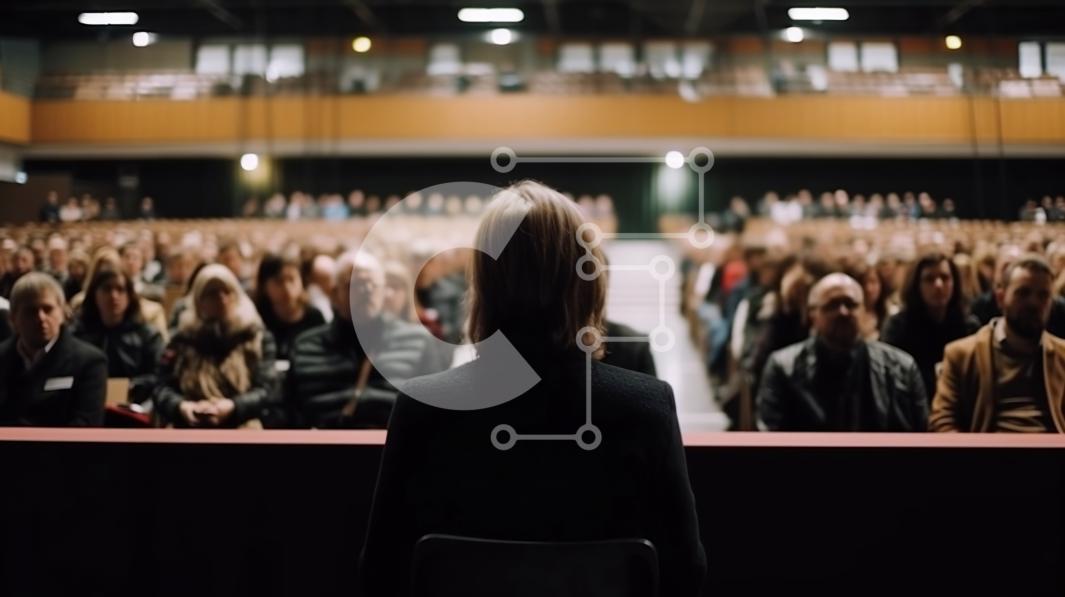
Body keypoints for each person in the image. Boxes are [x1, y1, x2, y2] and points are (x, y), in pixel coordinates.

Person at [360, 181, 706, 597]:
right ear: (586, 283)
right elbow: (686, 574)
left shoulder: (423, 408)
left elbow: (381, 572)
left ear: (484, 285)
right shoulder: (646, 409)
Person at [287, 251, 446, 428]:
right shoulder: (306, 347)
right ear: (334, 294)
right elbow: (290, 416)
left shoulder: (418, 341)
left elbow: (435, 411)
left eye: (373, 284)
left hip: (392, 443)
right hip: (324, 442)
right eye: (355, 284)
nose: (367, 291)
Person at [758, 272, 928, 431]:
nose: (843, 312)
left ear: (864, 310)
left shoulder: (901, 368)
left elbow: (922, 436)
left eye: (850, 304)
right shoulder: (783, 368)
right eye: (832, 305)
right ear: (812, 314)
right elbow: (772, 437)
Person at [931, 255, 1065, 432]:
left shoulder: (1062, 354)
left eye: (1043, 295)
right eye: (1023, 293)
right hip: (986, 447)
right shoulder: (961, 354)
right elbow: (942, 421)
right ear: (1001, 298)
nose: (1033, 303)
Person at [153, 264, 278, 428]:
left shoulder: (255, 338)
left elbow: (267, 390)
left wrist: (234, 407)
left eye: (227, 292)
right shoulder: (181, 340)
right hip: (188, 428)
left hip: (242, 426)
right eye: (212, 293)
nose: (222, 299)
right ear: (199, 300)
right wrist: (181, 407)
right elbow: (161, 387)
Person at [0, 273, 107, 426]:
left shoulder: (88, 362)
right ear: (13, 318)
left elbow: (86, 424)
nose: (41, 318)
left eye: (48, 309)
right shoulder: (3, 358)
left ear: (62, 313)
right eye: (31, 311)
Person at [881, 252, 980, 400]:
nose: (938, 285)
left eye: (945, 278)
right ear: (916, 285)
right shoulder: (898, 328)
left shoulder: (969, 326)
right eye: (929, 279)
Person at [71, 264, 164, 405]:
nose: (114, 296)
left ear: (129, 295)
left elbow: (159, 376)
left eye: (120, 289)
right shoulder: (77, 334)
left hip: (133, 405)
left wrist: (131, 386)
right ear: (94, 294)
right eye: (107, 289)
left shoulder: (148, 336)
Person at [253, 252, 325, 361]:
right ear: (264, 286)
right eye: (278, 281)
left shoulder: (314, 317)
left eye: (291, 279)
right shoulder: (258, 318)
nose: (287, 288)